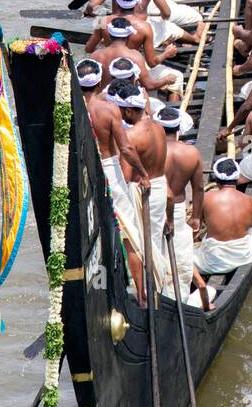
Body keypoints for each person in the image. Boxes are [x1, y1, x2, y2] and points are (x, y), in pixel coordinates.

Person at [76, 60, 149, 299]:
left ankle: (101, 289)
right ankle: (142, 295)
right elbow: (126, 149)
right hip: (108, 170)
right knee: (130, 235)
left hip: (82, 174)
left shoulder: (69, 109)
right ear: (99, 81)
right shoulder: (108, 110)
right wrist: (144, 174)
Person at [110, 80, 169, 296]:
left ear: (128, 110)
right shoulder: (159, 127)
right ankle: (158, 289)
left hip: (142, 192)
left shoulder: (132, 136)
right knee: (153, 240)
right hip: (160, 186)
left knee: (140, 243)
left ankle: (152, 291)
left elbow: (126, 177)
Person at [155, 104, 208, 305]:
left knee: (155, 254)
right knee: (180, 260)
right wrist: (196, 217)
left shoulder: (153, 151)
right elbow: (199, 189)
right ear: (178, 129)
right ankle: (180, 301)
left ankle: (157, 298)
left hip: (154, 209)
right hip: (176, 212)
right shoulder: (191, 153)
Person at [194, 156, 252, 277]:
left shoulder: (206, 197)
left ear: (216, 181)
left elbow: (195, 227)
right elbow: (251, 226)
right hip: (244, 257)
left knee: (182, 256)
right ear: (237, 178)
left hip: (215, 262)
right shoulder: (250, 201)